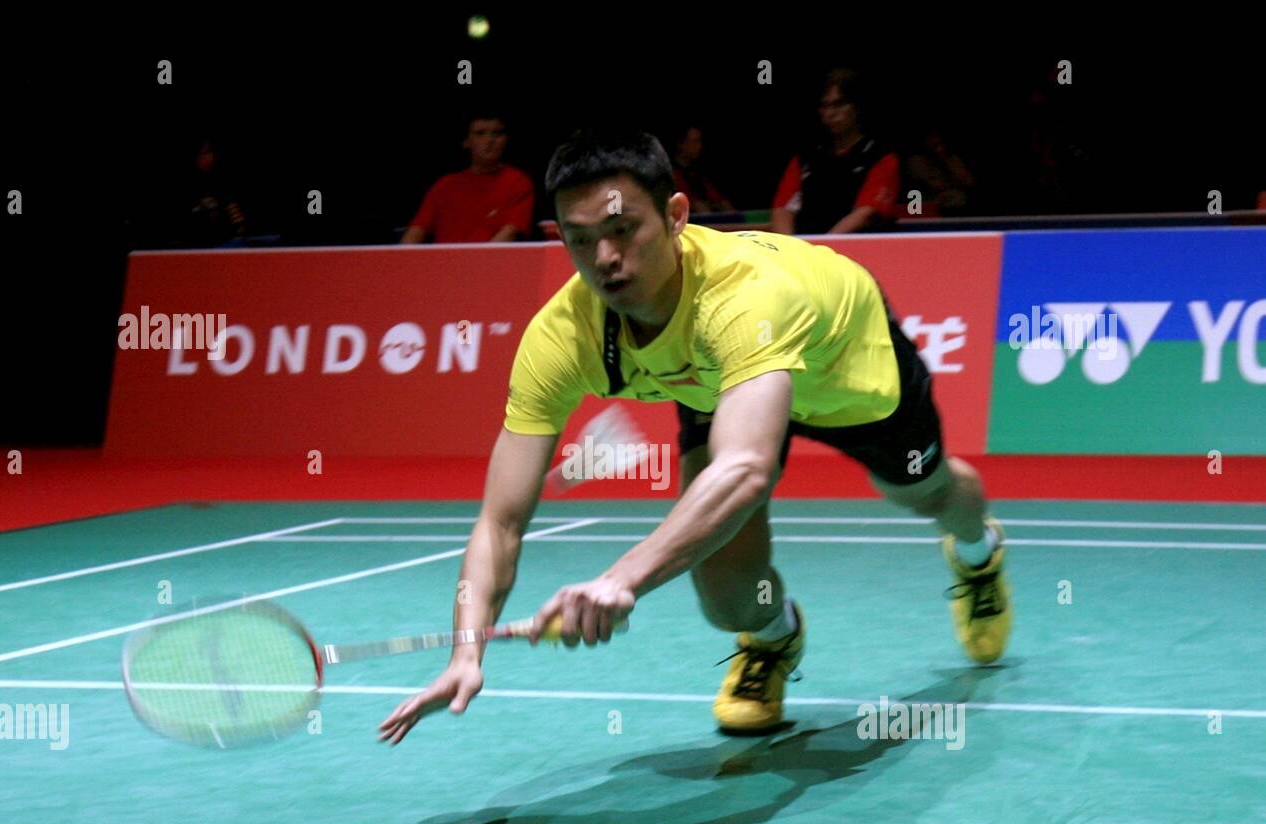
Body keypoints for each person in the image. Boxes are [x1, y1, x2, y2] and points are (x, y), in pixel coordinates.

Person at [379, 129, 1012, 746]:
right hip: (719, 385)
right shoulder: (560, 336)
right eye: (581, 239)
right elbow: (500, 519)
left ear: (676, 214)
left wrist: (621, 578)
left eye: (624, 229)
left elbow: (744, 470)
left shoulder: (745, 297)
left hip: (845, 367)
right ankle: (773, 637)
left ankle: (978, 553)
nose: (604, 259)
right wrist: (468, 647)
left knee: (924, 493)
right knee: (725, 594)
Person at [770, 69, 899, 235]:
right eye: (824, 106)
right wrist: (790, 248)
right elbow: (783, 209)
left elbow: (867, 213)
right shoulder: (806, 157)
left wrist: (824, 247)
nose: (830, 114)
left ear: (857, 107)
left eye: (839, 105)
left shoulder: (881, 156)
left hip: (857, 251)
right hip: (808, 250)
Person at [401, 114, 534, 243]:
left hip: (490, 263)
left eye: (497, 133)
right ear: (466, 142)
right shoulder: (445, 185)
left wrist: (475, 263)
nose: (490, 140)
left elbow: (509, 233)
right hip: (444, 263)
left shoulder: (517, 181)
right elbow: (416, 232)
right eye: (480, 133)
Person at [669, 125, 735, 214]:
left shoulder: (698, 173)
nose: (699, 146)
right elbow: (696, 207)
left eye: (699, 141)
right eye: (694, 141)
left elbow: (721, 202)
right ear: (680, 144)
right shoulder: (672, 174)